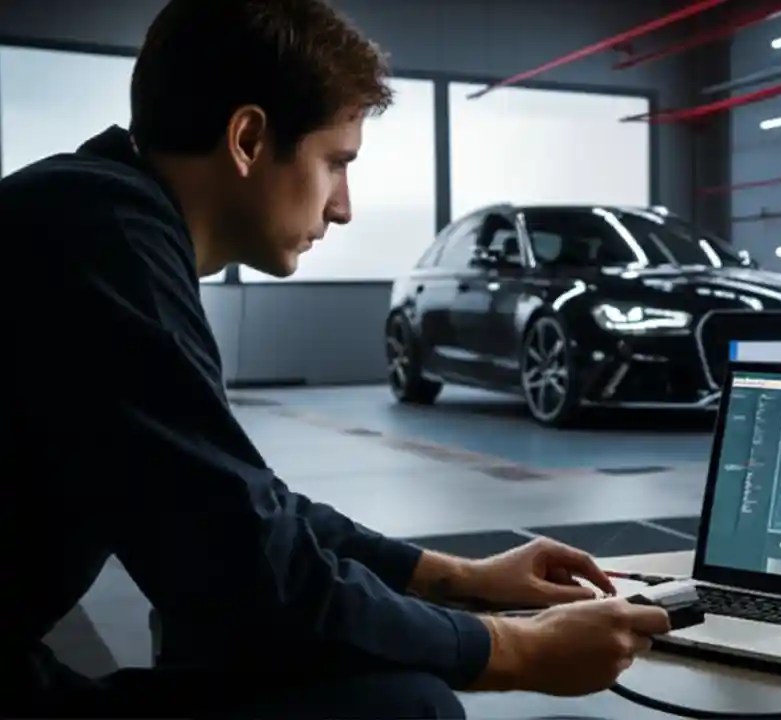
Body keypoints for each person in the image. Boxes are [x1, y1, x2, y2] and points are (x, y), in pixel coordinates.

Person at [0, 0, 670, 717]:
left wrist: (460, 578)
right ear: (249, 139)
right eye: (336, 163)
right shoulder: (103, 243)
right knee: (402, 708)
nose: (343, 206)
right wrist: (517, 650)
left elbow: (238, 507)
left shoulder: (94, 217)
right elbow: (247, 573)